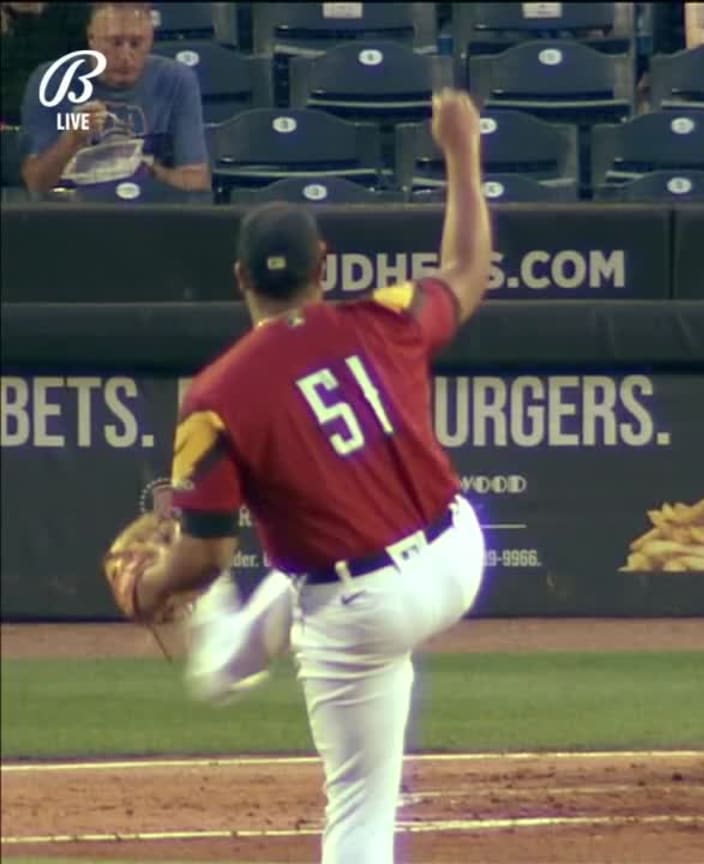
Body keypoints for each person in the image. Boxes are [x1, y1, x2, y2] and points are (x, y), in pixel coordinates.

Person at [128, 89, 493, 862]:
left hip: (361, 607)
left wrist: (153, 590)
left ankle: (223, 656)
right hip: (460, 555)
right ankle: (226, 658)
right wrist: (462, 150)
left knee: (360, 808)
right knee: (294, 593)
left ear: (240, 278)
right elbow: (467, 268)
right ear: (324, 265)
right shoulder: (381, 318)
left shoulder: (215, 396)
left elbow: (207, 558)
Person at [19, 2, 208, 196]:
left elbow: (197, 181)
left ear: (150, 41)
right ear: (92, 40)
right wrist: (72, 138)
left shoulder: (176, 80)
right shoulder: (52, 80)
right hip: (77, 214)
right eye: (115, 43)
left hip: (150, 211)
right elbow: (35, 185)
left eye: (136, 43)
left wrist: (149, 170)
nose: (125, 55)